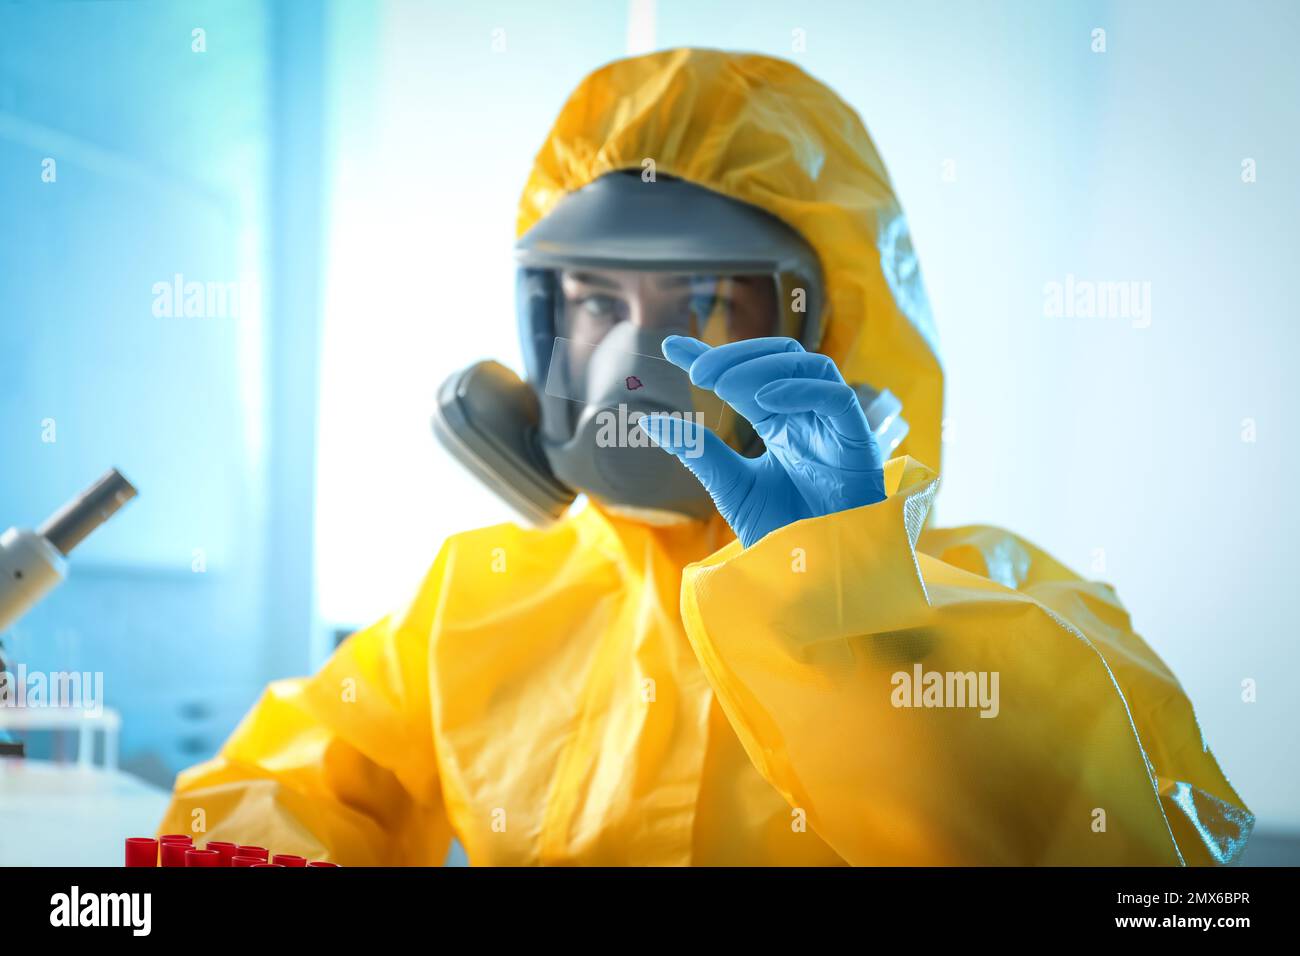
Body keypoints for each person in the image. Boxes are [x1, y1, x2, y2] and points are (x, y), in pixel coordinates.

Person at [159, 49, 1251, 865]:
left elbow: (1129, 855)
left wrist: (843, 606)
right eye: (593, 300)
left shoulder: (1005, 607)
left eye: (704, 298)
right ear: (543, 327)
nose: (634, 355)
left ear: (832, 333)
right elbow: (277, 783)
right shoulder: (478, 602)